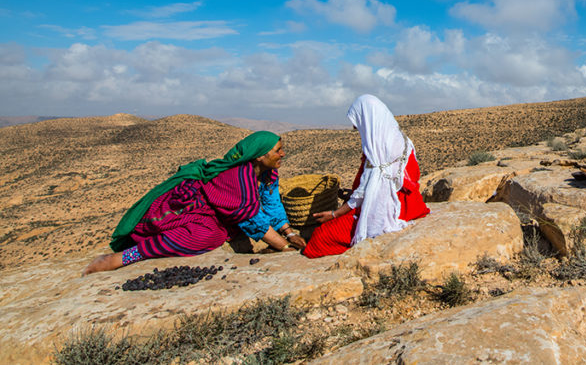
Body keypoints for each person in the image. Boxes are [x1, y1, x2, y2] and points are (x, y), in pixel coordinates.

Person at [83, 131, 305, 275]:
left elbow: (272, 202)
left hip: (213, 214)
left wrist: (288, 232)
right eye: (278, 150)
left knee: (223, 232)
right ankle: (124, 257)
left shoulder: (267, 173)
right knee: (205, 236)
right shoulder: (237, 177)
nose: (283, 154)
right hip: (184, 211)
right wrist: (283, 248)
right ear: (258, 156)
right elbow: (252, 219)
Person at [303, 95, 429, 258]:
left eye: (357, 121)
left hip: (392, 209)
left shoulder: (379, 152)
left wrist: (335, 214)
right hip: (412, 203)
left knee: (320, 238)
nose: (354, 127)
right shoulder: (400, 139)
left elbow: (364, 191)